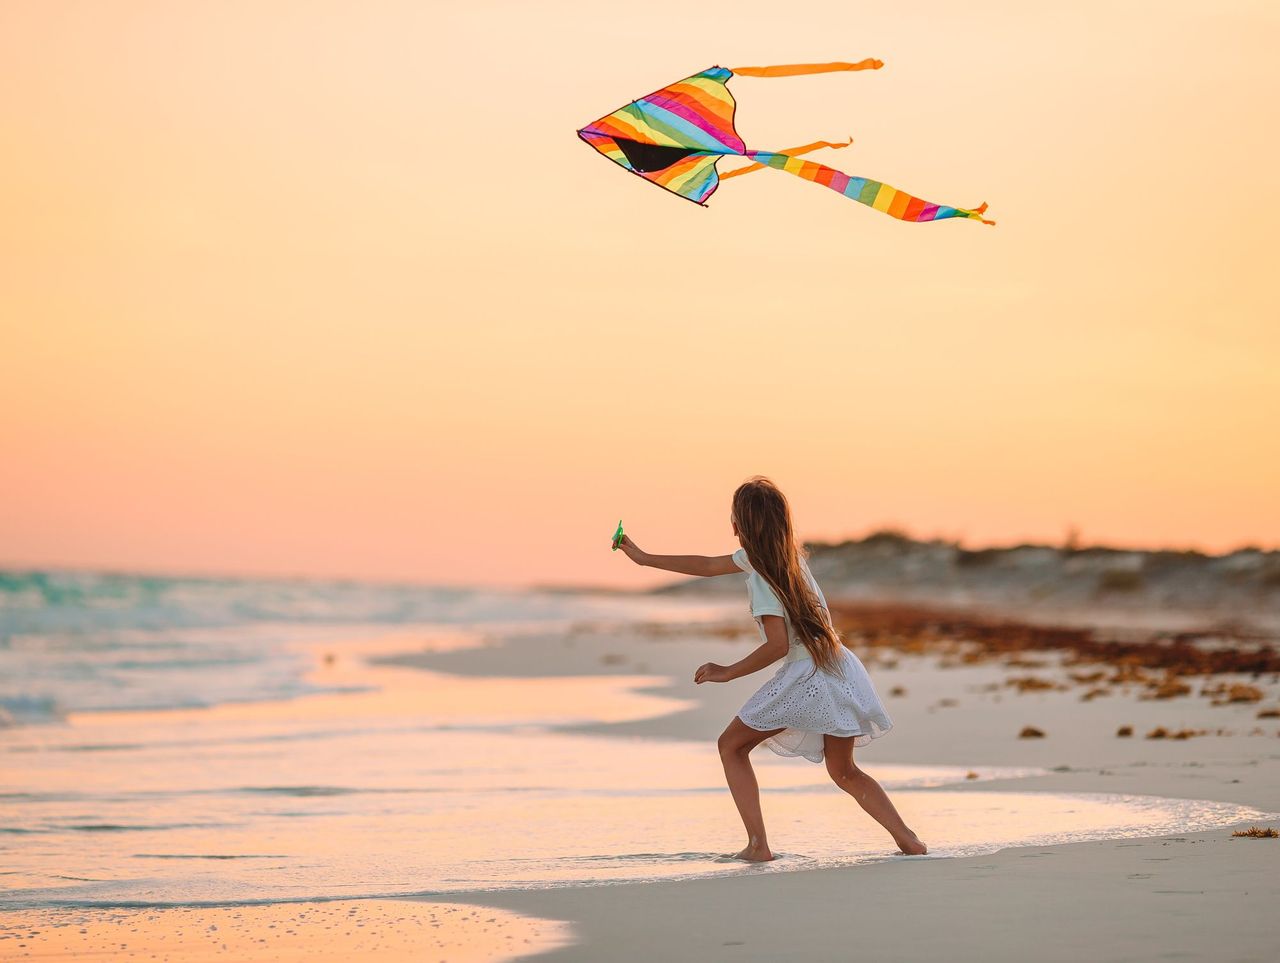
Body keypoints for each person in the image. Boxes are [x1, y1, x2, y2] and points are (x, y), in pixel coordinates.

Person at [615, 475, 927, 861]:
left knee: (731, 746)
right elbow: (709, 565)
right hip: (840, 667)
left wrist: (726, 671)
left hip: (808, 676)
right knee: (844, 771)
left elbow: (778, 645)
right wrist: (644, 558)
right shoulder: (785, 558)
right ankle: (908, 840)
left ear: (738, 526)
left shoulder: (761, 576)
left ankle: (758, 846)